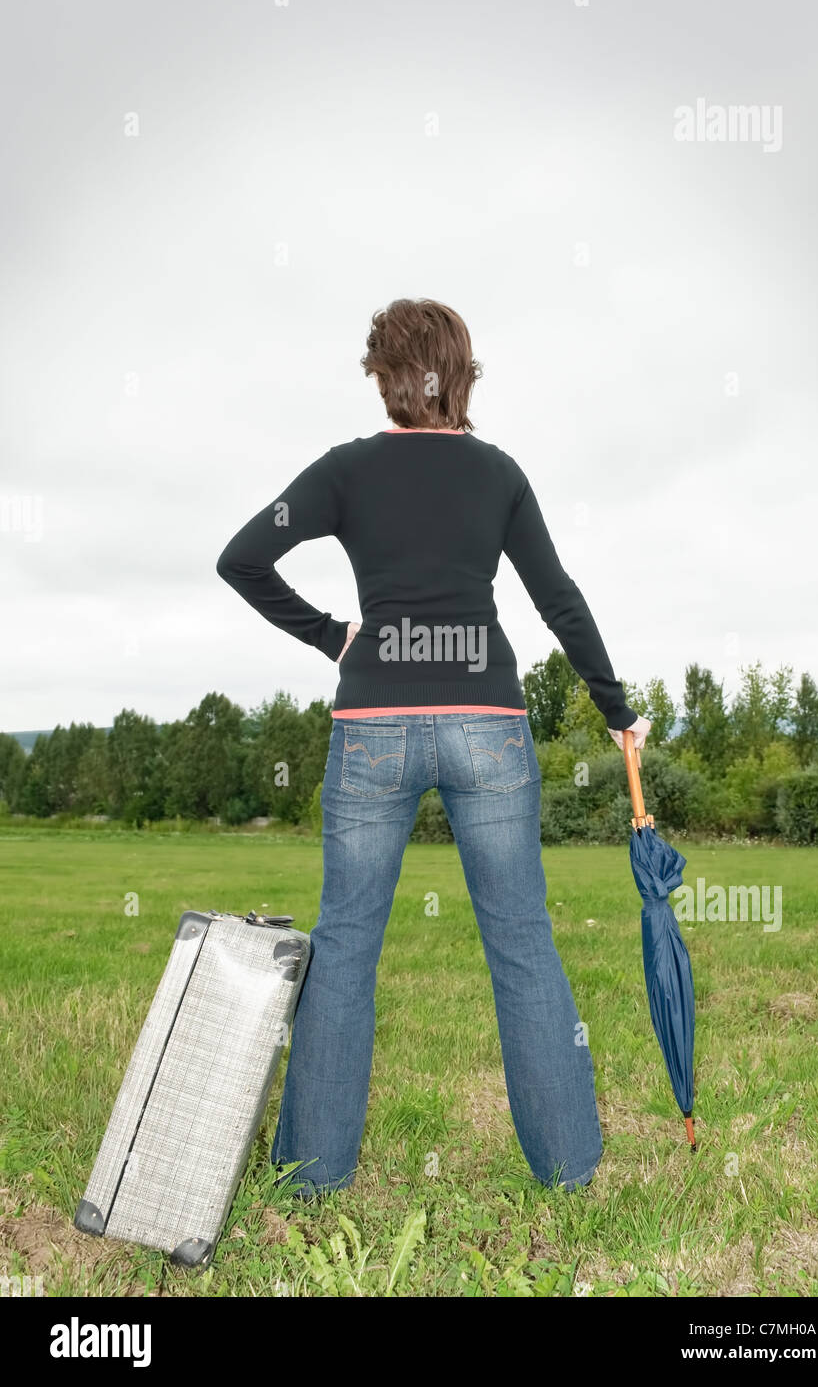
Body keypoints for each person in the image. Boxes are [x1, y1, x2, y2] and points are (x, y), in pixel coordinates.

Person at [216, 297, 651, 1198]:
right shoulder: (498, 475)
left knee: (343, 946)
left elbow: (243, 558)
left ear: (384, 380)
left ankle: (310, 1177)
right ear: (461, 375)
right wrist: (615, 708)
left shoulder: (345, 470)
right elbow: (558, 598)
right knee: (523, 943)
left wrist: (337, 636)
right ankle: (570, 1173)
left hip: (371, 728)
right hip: (487, 724)